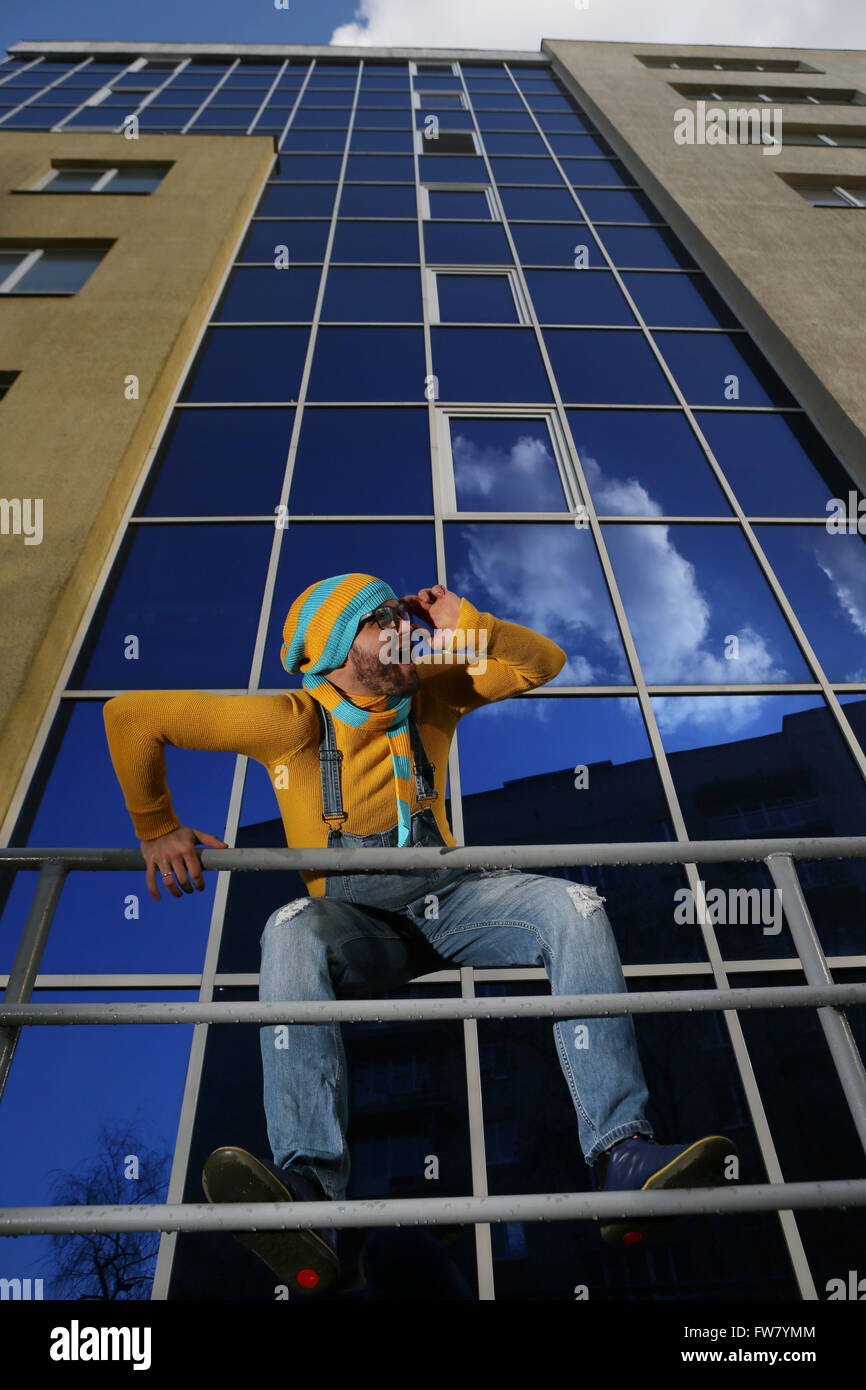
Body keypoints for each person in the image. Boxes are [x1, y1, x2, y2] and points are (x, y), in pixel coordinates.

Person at [103, 572, 738, 1298]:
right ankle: (310, 1194)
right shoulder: (290, 720)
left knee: (577, 908)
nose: (404, 629)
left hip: (457, 906)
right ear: (338, 646)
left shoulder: (434, 686)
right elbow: (130, 716)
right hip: (359, 928)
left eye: (404, 615)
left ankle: (622, 1155)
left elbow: (543, 663)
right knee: (288, 927)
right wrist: (157, 829)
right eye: (382, 622)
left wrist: (475, 627)